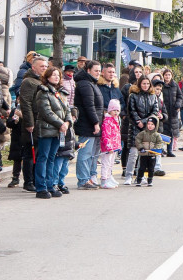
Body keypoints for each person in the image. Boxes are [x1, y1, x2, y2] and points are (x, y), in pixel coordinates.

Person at [33, 66, 72, 199]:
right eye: (53, 75)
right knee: (43, 157)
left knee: (52, 157)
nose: (56, 77)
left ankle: (50, 185)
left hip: (58, 131)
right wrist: (60, 123)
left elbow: (67, 110)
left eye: (58, 75)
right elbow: (46, 112)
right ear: (47, 76)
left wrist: (67, 122)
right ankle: (41, 187)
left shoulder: (60, 93)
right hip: (46, 129)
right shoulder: (43, 92)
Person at [19, 57, 48, 192]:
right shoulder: (28, 82)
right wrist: (29, 123)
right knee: (30, 153)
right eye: (41, 66)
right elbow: (26, 103)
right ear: (33, 67)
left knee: (40, 152)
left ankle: (37, 180)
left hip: (43, 122)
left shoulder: (43, 81)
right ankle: (28, 181)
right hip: (33, 122)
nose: (44, 68)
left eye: (46, 66)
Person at [74, 60, 104, 190]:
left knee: (92, 154)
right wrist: (95, 123)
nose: (98, 73)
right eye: (95, 71)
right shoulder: (85, 84)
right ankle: (83, 180)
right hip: (87, 125)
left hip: (91, 124)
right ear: (88, 71)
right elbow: (89, 106)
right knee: (85, 153)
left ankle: (88, 178)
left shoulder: (90, 83)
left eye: (99, 71)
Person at [125, 76, 158, 184]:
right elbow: (131, 110)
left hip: (147, 127)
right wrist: (138, 121)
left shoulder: (153, 96)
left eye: (147, 84)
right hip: (135, 127)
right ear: (139, 84)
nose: (146, 86)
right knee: (134, 153)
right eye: (143, 83)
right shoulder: (133, 96)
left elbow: (155, 111)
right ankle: (129, 176)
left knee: (144, 155)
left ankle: (140, 176)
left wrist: (144, 122)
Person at [134, 116, 163, 187]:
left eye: (152, 124)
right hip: (144, 154)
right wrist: (141, 148)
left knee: (151, 168)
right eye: (149, 124)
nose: (150, 126)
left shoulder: (157, 135)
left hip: (152, 154)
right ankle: (139, 179)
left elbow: (160, 142)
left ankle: (150, 180)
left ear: (155, 126)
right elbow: (138, 140)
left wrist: (155, 149)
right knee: (142, 167)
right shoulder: (143, 133)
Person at [99, 99, 122, 189]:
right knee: (106, 163)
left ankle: (108, 178)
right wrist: (109, 146)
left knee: (110, 163)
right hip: (108, 148)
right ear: (109, 110)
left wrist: (118, 145)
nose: (116, 112)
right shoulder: (107, 121)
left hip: (114, 146)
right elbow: (106, 135)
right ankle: (104, 180)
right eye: (114, 110)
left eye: (117, 110)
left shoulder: (115, 120)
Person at [161, 69, 182, 157]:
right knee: (162, 131)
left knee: (171, 132)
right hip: (163, 112)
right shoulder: (161, 85)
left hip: (173, 112)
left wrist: (177, 105)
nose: (167, 77)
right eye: (166, 75)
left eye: (169, 75)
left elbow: (180, 96)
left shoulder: (175, 85)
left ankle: (169, 150)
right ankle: (161, 149)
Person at [151, 78, 168, 176]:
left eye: (160, 89)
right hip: (150, 128)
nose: (158, 91)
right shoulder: (149, 98)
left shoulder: (160, 101)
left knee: (158, 147)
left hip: (159, 127)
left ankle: (157, 167)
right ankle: (149, 167)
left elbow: (166, 113)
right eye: (156, 89)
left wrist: (163, 116)